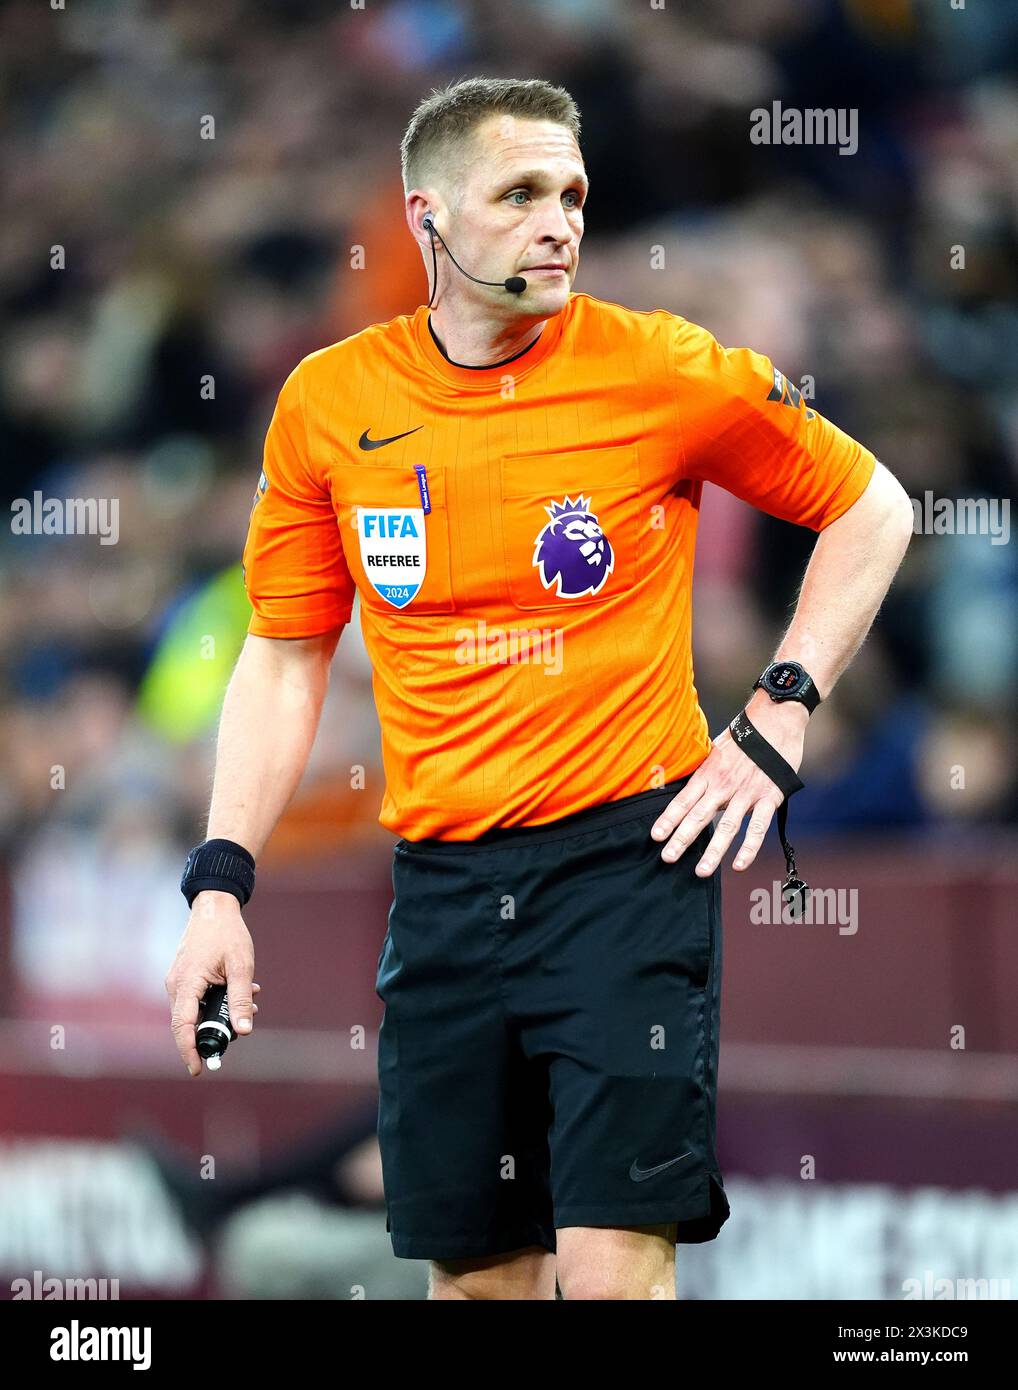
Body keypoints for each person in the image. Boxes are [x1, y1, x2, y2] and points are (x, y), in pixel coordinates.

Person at [164, 76, 914, 1301]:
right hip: (446, 889)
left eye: (570, 193)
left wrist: (779, 709)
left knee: (612, 1271)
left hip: (626, 865)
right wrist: (220, 881)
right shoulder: (329, 404)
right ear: (427, 219)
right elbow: (287, 649)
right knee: (474, 1285)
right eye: (518, 195)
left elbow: (870, 505)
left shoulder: (659, 369)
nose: (557, 220)